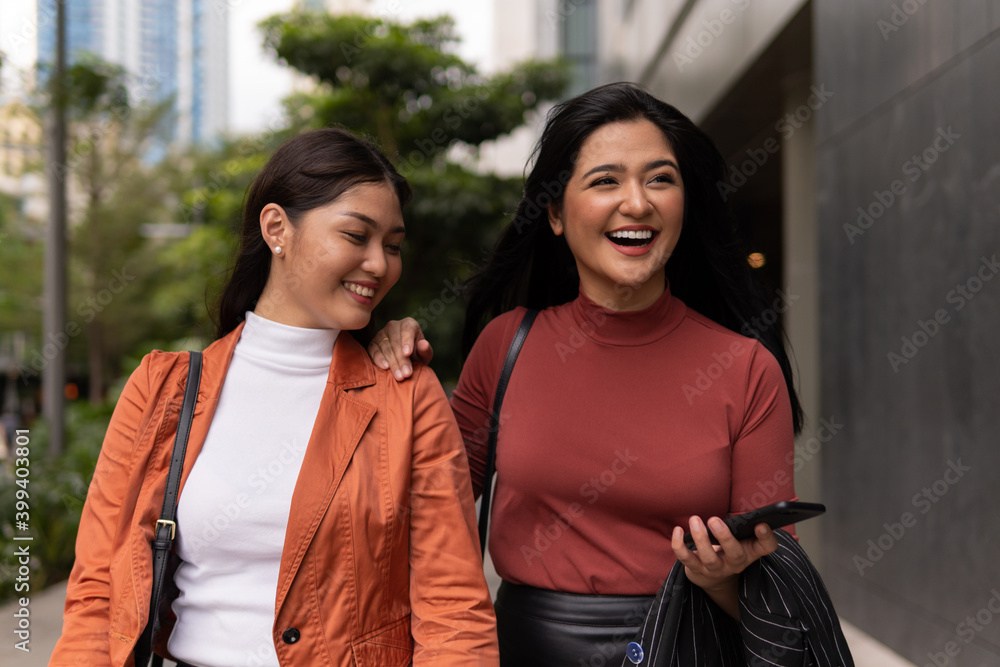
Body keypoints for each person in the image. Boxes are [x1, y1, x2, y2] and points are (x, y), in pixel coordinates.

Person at [368, 82, 804, 665]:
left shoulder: (747, 369)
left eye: (660, 179)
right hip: (527, 651)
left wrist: (724, 578)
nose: (638, 203)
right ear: (554, 212)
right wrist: (371, 353)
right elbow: (419, 516)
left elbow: (782, 600)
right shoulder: (505, 348)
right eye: (606, 181)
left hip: (689, 645)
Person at [51, 128, 499, 667]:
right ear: (276, 228)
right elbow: (98, 593)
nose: (380, 264)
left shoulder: (406, 395)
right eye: (357, 236)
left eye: (393, 245)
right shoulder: (161, 388)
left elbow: (453, 611)